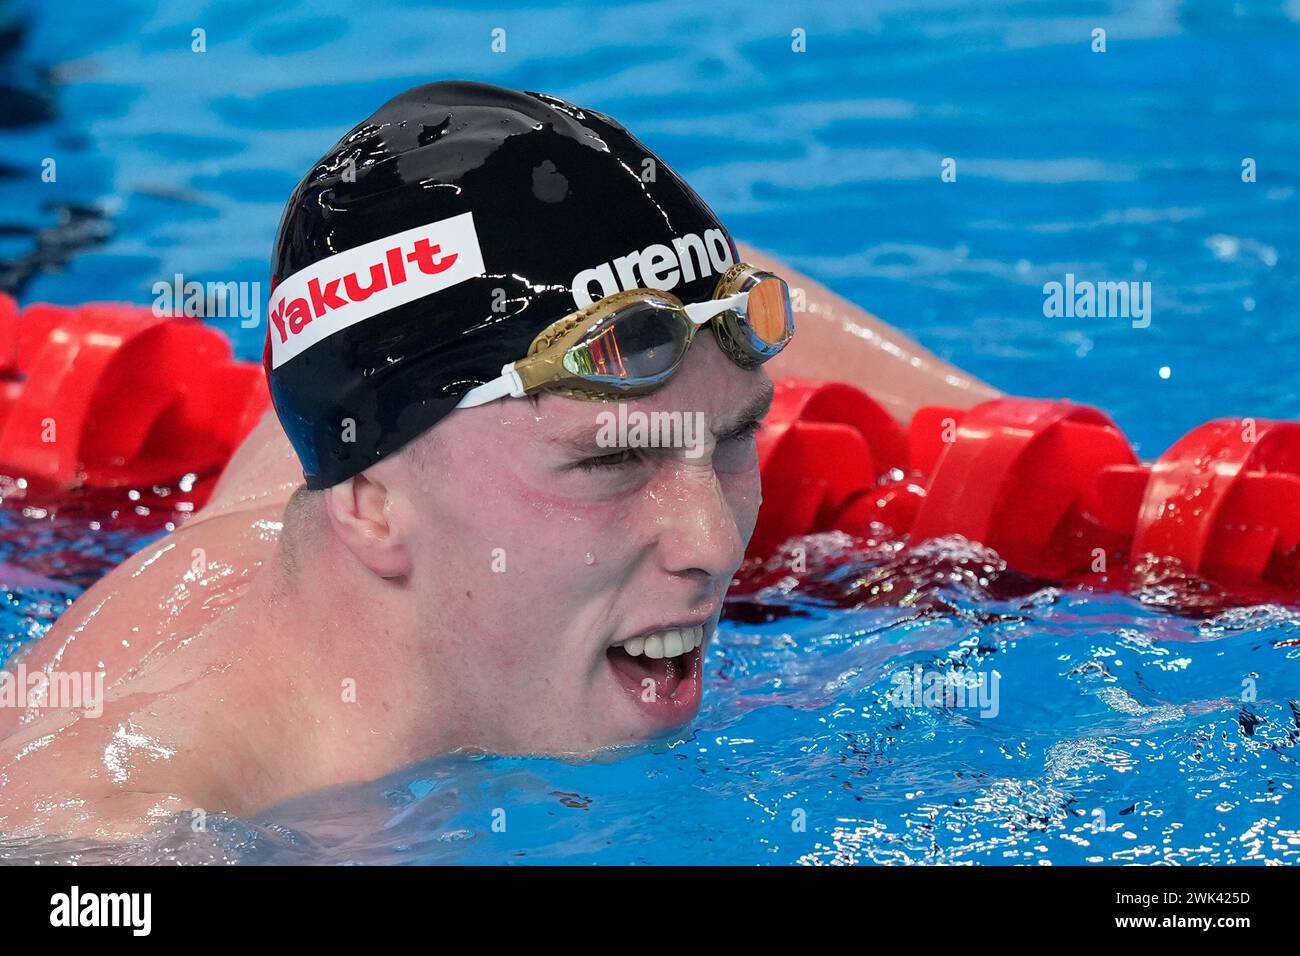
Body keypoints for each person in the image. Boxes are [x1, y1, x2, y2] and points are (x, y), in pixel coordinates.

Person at [0, 81, 997, 840]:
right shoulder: (119, 831)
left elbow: (714, 290)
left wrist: (995, 430)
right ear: (373, 507)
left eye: (733, 438)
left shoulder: (373, 442)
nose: (708, 544)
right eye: (609, 464)